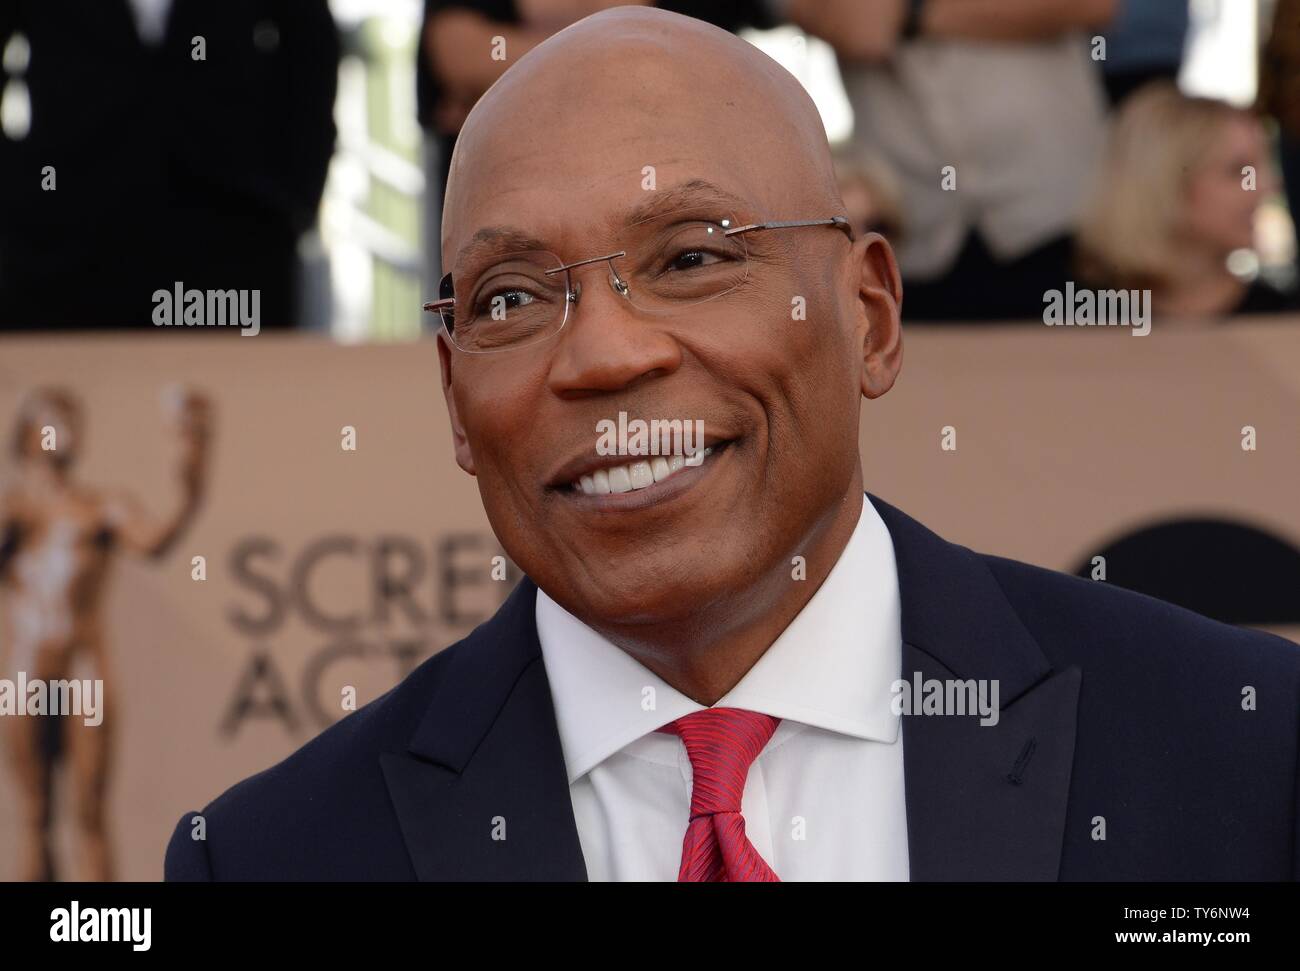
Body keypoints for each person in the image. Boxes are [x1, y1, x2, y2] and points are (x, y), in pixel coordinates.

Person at [166, 8, 1299, 882]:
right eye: (511, 297)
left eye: (693, 258)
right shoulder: (277, 856)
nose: (604, 354)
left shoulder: (1243, 756)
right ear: (456, 400)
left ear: (869, 316)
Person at [785, 0, 1115, 321]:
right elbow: (864, 29)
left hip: (1055, 207)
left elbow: (1094, 5)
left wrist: (913, 11)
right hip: (913, 229)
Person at [2, 387, 211, 880]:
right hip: (26, 670)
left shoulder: (100, 510)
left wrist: (192, 467)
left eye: (70, 418)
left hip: (82, 671)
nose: (63, 428)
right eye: (52, 419)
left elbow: (157, 540)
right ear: (28, 433)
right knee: (33, 814)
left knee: (88, 813)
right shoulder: (14, 514)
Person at [1077, 82, 1294, 319]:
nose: (1269, 186)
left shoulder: (1279, 315)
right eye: (1238, 171)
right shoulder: (1058, 304)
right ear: (1163, 182)